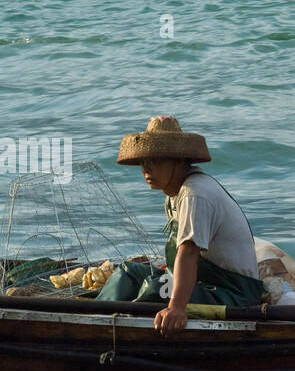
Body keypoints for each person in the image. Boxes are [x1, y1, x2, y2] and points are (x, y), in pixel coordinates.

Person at [98, 115, 265, 335]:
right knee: (130, 271)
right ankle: (95, 318)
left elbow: (188, 253)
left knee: (156, 288)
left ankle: (116, 332)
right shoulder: (173, 195)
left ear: (178, 161)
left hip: (233, 293)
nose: (146, 169)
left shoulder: (195, 194)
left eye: (156, 161)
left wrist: (177, 307)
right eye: (143, 162)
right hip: (205, 282)